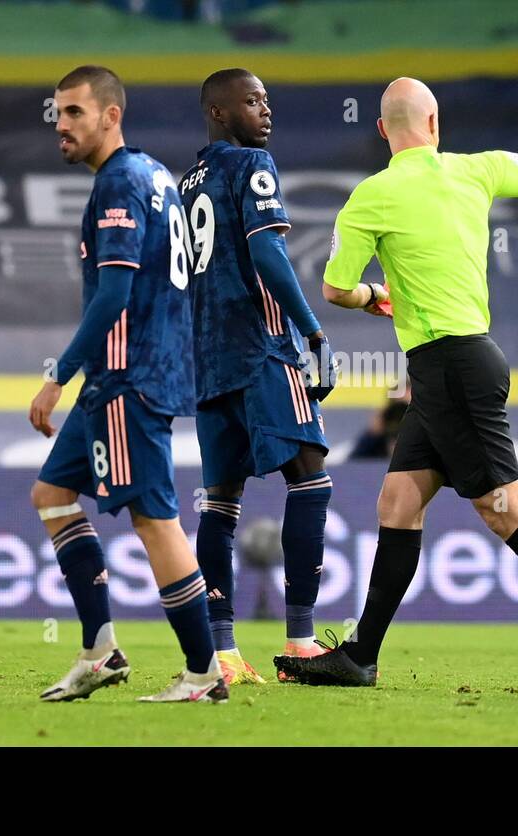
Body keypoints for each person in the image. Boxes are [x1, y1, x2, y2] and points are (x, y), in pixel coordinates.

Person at [275, 58, 518, 689]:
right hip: (456, 365)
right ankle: (361, 655)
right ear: (434, 122)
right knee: (399, 500)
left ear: (382, 132)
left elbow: (333, 288)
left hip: (449, 368)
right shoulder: (476, 168)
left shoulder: (371, 196)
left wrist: (374, 297)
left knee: (503, 508)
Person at [29, 65, 226, 704]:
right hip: (131, 374)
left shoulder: (118, 184)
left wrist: (56, 376)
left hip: (128, 378)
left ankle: (204, 673)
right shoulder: (154, 175)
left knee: (155, 521)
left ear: (111, 115)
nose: (61, 125)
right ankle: (101, 649)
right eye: (57, 113)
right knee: (52, 492)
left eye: (75, 113)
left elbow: (113, 294)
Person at [179, 68, 338, 684]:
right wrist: (313, 334)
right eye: (251, 101)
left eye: (268, 99)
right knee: (311, 479)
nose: (265, 111)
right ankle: (300, 641)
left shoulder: (185, 182)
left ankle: (222, 652)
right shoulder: (252, 166)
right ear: (219, 113)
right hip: (262, 347)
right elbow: (268, 251)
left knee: (220, 502)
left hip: (208, 360)